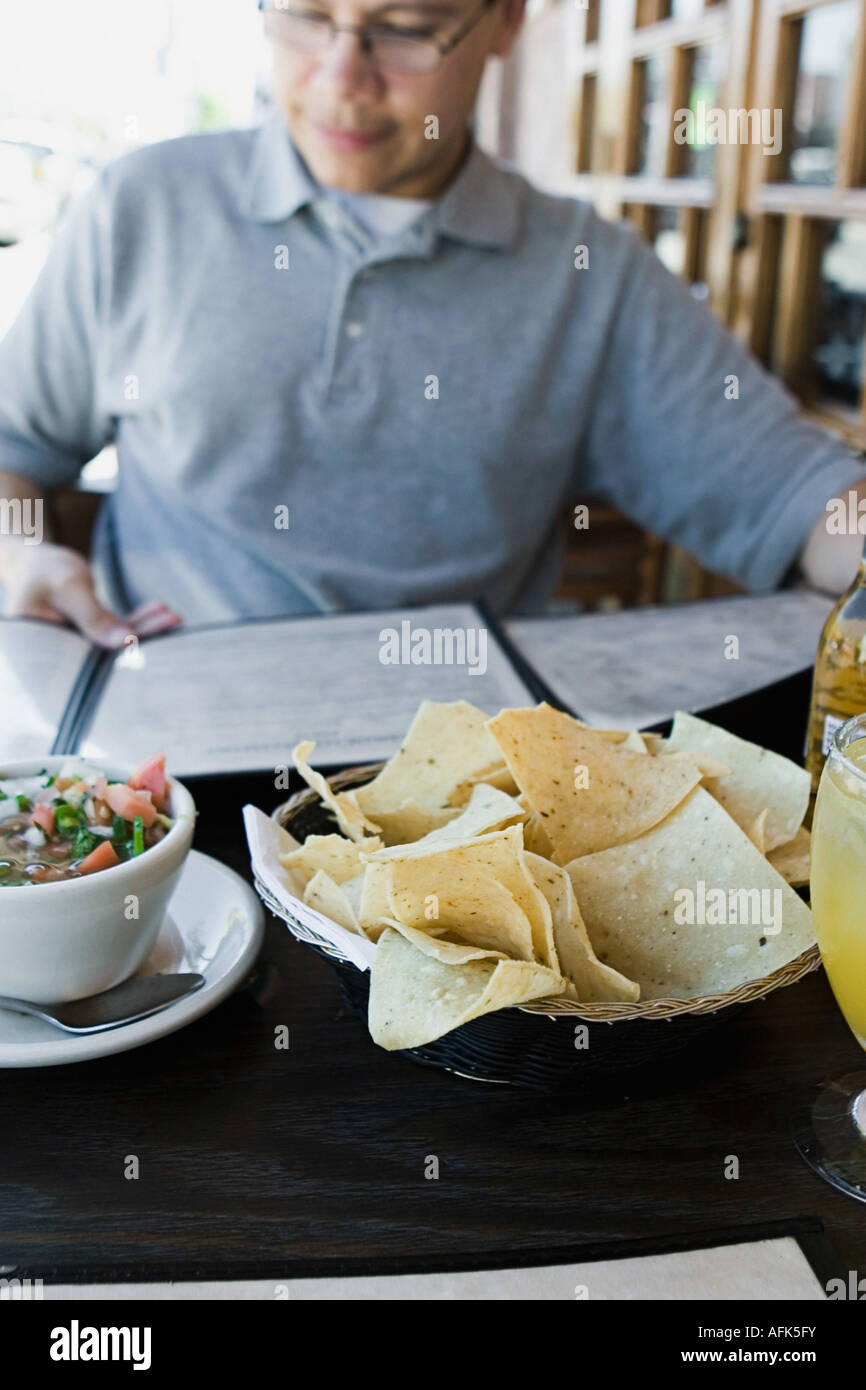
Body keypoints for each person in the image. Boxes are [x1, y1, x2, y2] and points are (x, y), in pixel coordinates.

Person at [0, 0, 863, 650]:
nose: (341, 77)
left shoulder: (586, 272)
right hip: (161, 762)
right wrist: (18, 559)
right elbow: (11, 452)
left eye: (404, 27)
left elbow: (802, 499)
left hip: (445, 801)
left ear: (505, 22)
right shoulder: (140, 208)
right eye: (305, 17)